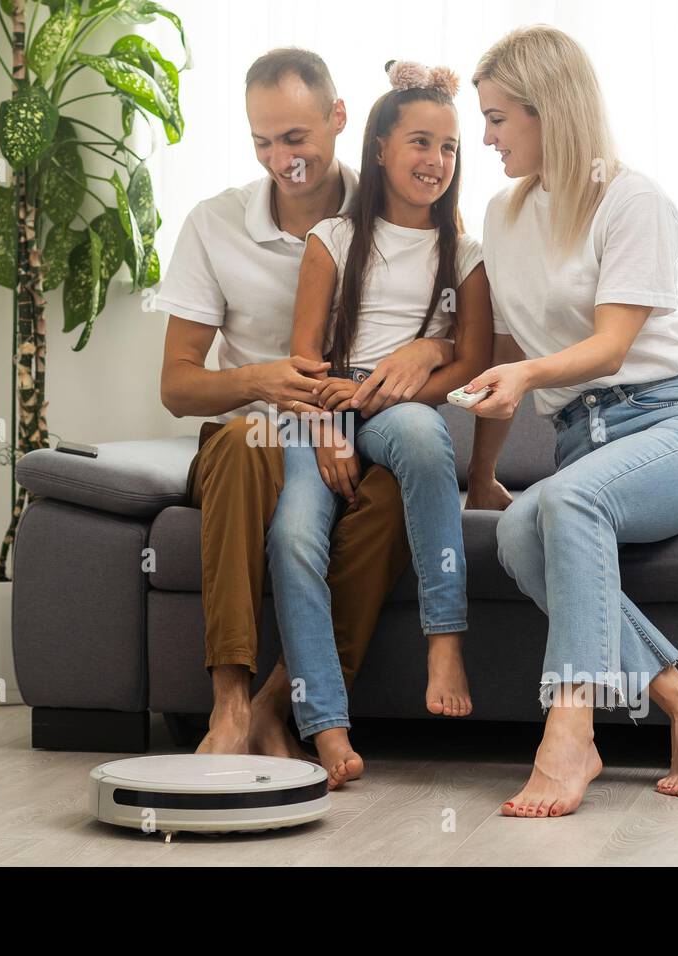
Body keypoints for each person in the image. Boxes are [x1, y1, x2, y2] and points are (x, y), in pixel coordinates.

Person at [461, 25, 678, 818]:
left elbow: (614, 343)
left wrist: (522, 374)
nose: (482, 137)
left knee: (568, 502)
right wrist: (479, 463)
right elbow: (509, 346)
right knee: (519, 533)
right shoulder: (502, 213)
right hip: (581, 443)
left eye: (497, 118)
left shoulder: (634, 199)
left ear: (549, 110)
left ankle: (572, 729)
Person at [154, 48, 454, 759]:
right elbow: (176, 387)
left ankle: (279, 704)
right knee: (237, 446)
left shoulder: (394, 208)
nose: (280, 158)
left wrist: (435, 351)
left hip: (360, 432)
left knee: (387, 496)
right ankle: (228, 703)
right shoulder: (215, 223)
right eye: (262, 140)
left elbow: (463, 317)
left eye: (296, 138)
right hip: (256, 438)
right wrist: (262, 381)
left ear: (339, 119)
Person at [268, 60, 494, 788]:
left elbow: (474, 362)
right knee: (293, 533)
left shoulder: (465, 253)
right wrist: (331, 429)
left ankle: (446, 636)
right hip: (329, 404)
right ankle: (325, 726)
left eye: (450, 148)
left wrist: (416, 377)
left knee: (428, 442)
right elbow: (302, 358)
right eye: (421, 144)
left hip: (406, 405)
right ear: (379, 150)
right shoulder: (332, 240)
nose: (437, 162)